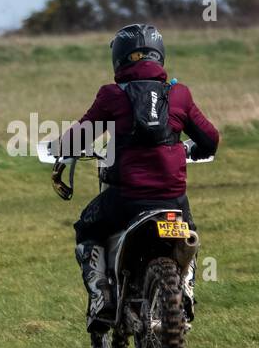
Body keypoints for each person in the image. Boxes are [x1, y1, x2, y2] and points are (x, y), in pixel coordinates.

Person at [48, 24, 219, 332]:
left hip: (126, 199)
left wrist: (59, 148)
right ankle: (186, 287)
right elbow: (210, 139)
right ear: (160, 56)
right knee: (189, 233)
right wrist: (190, 149)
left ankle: (101, 297)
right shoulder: (179, 94)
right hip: (172, 198)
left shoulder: (112, 95)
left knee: (87, 229)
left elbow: (78, 137)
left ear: (118, 59)